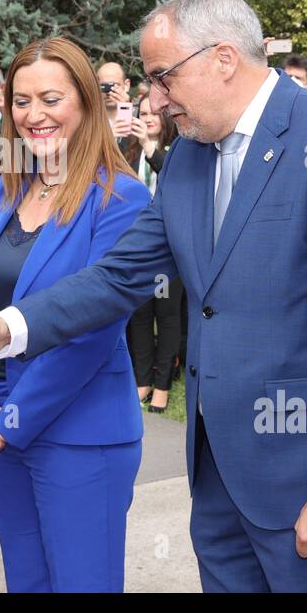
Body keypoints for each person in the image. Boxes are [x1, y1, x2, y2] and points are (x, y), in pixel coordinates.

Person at [0, 0, 307, 592]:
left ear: (223, 59)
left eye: (162, 77)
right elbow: (118, 276)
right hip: (219, 480)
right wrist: (6, 327)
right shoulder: (189, 157)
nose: (153, 97)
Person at [0, 36, 148, 592]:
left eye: (51, 99)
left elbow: (90, 330)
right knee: (27, 584)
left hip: (79, 437)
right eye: (20, 101)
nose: (33, 115)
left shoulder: (122, 199)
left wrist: (9, 421)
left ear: (86, 103)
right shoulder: (6, 192)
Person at [121, 94, 182, 413]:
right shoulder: (128, 151)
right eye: (140, 112)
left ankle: (162, 385)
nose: (146, 118)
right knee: (140, 316)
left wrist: (149, 147)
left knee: (167, 315)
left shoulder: (177, 150)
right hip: (137, 245)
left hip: (170, 246)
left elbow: (172, 180)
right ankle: (141, 380)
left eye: (152, 113)